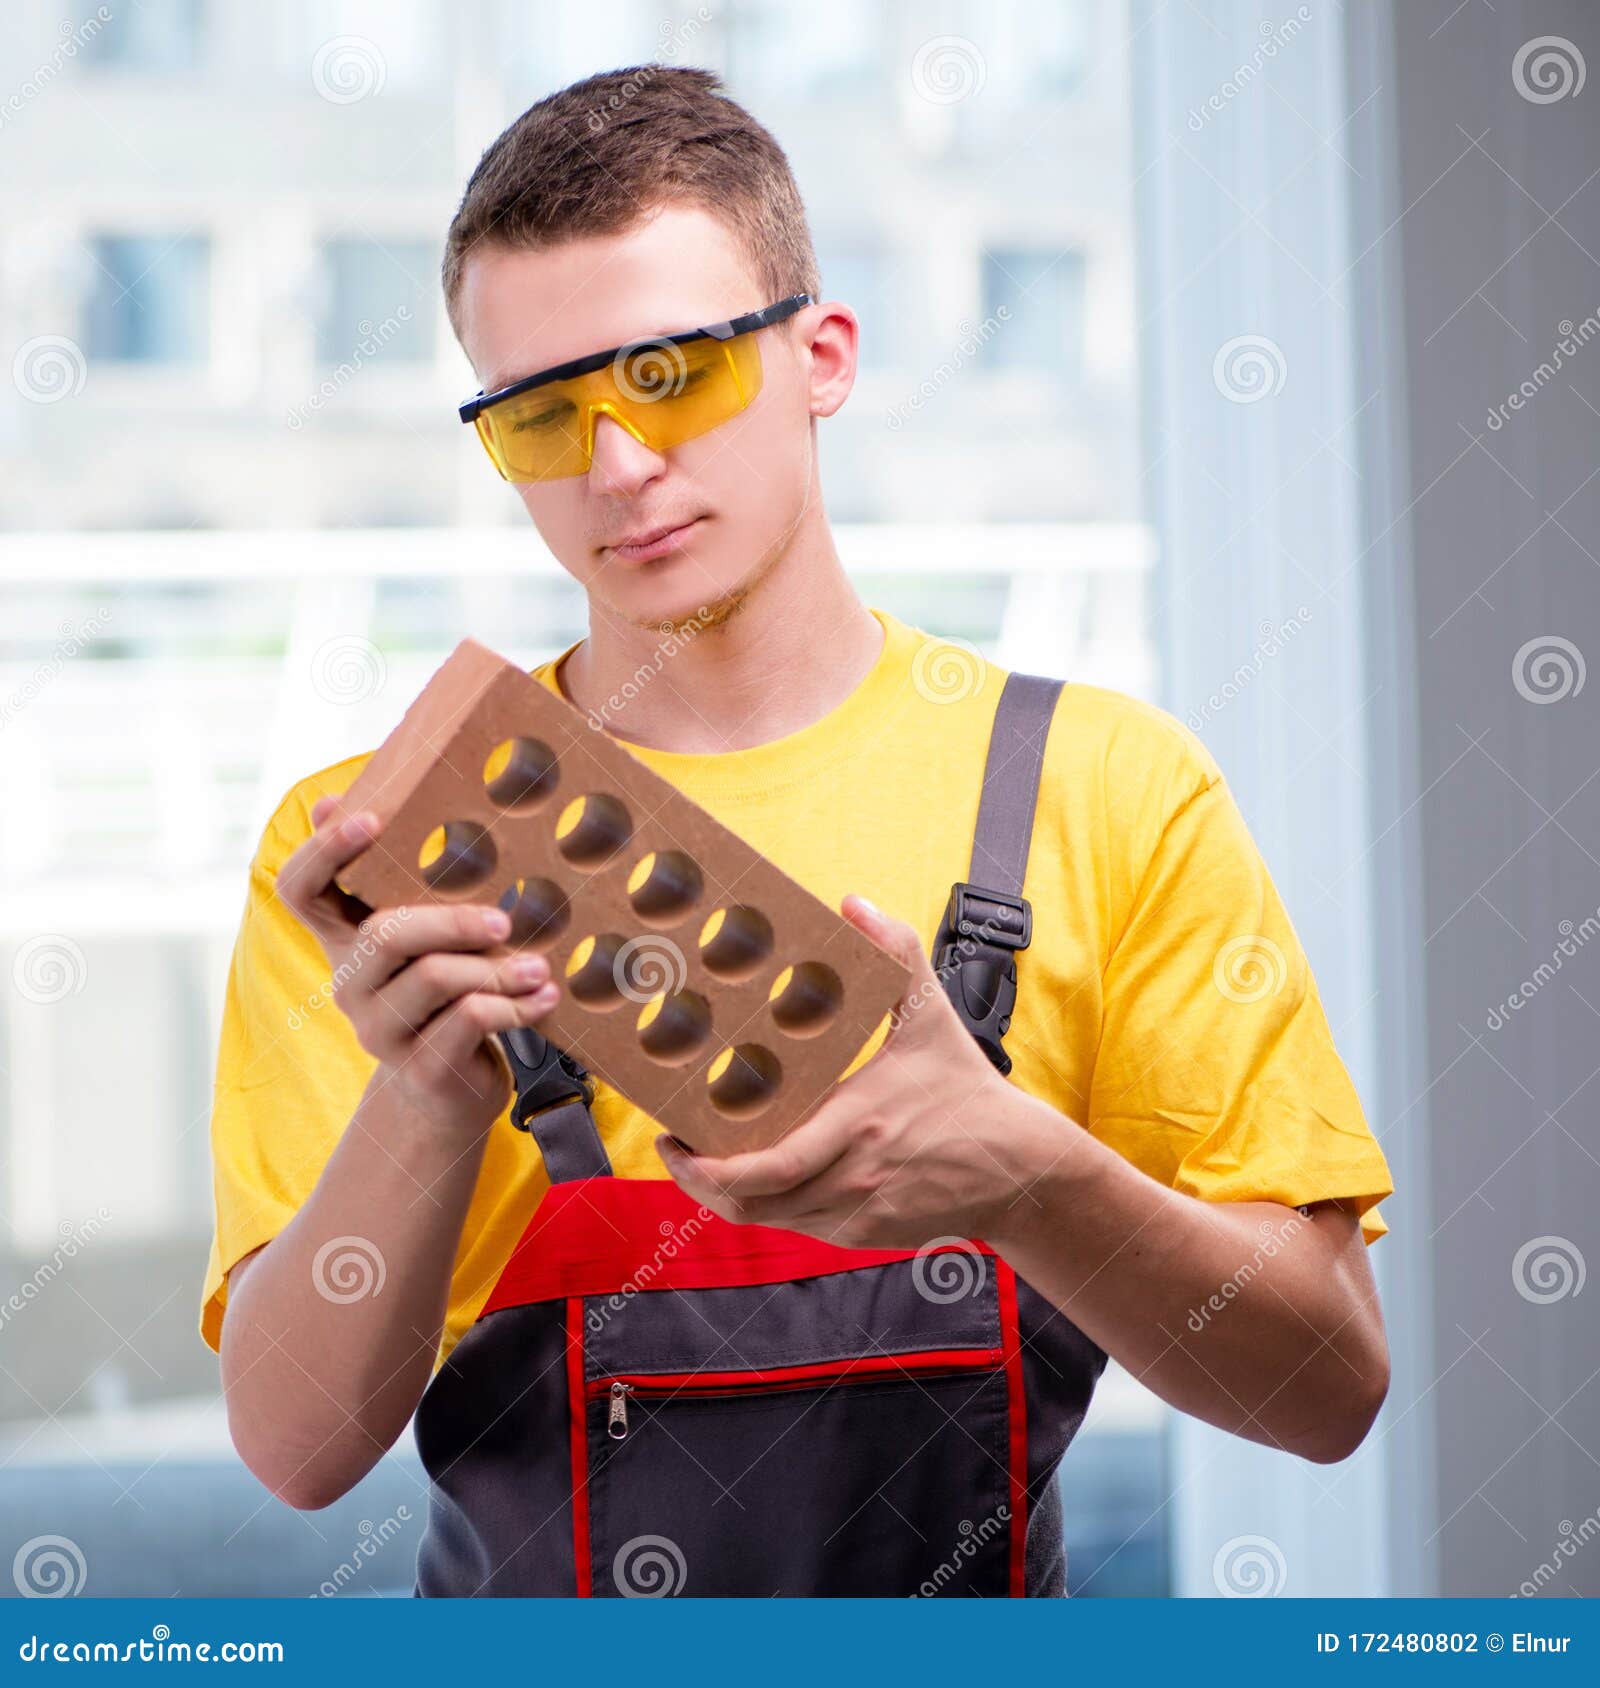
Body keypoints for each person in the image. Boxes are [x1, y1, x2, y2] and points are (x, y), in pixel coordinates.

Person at [202, 64, 1393, 1598]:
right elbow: (297, 1450)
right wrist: (424, 1103)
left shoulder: (1102, 792)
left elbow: (1327, 1391)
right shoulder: (379, 862)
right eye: (543, 415)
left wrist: (1030, 1179)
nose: (618, 468)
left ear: (821, 355)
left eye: (670, 375)